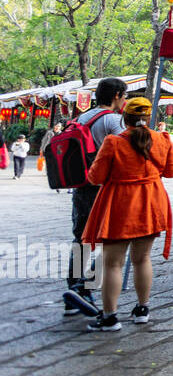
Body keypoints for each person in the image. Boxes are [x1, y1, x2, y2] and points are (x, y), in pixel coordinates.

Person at [78, 98, 173, 331]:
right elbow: (171, 172)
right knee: (142, 258)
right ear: (149, 116)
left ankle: (110, 317)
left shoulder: (114, 142)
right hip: (152, 203)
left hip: (120, 205)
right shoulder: (163, 140)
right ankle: (142, 309)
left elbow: (96, 177)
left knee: (113, 263)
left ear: (125, 118)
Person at [61, 77, 127, 318]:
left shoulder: (81, 118)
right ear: (117, 95)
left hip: (81, 187)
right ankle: (84, 288)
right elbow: (123, 151)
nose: (125, 100)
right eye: (124, 96)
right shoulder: (113, 121)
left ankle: (72, 293)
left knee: (81, 240)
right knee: (112, 242)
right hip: (105, 188)